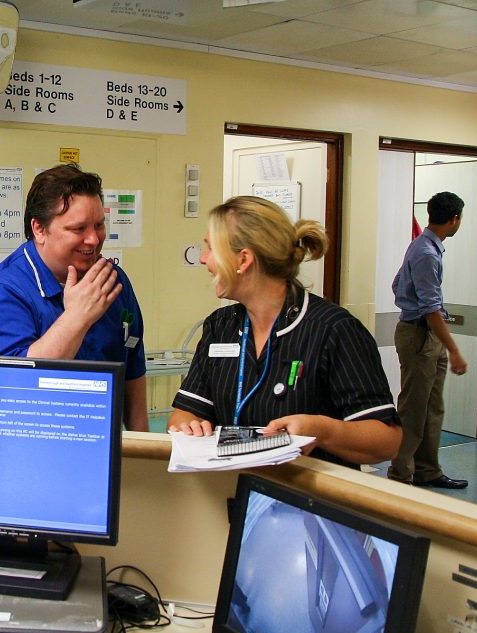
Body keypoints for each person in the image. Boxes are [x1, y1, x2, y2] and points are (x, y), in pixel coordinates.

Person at [167, 196, 401, 468]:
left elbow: (388, 441)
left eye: (210, 248)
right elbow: (183, 416)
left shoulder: (333, 330)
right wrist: (190, 426)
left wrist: (323, 431)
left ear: (243, 259)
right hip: (232, 486)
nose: (203, 259)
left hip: (306, 492)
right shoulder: (220, 326)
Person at [0, 164, 149, 431]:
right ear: (39, 229)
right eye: (78, 229)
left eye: (99, 225)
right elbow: (14, 388)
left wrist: (142, 444)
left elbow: (133, 368)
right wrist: (76, 318)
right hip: (26, 443)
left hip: (98, 437)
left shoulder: (111, 280)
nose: (94, 239)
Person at [388, 191, 469, 489]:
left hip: (427, 334)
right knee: (414, 409)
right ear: (455, 219)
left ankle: (427, 470)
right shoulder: (426, 252)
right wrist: (455, 350)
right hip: (419, 334)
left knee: (433, 408)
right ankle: (400, 474)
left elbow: (397, 284)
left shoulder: (423, 246)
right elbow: (431, 308)